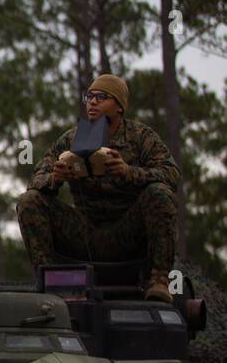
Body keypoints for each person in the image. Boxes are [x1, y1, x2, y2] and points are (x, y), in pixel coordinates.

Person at [15, 74, 179, 302]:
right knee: (28, 201)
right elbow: (35, 179)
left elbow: (171, 176)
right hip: (85, 233)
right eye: (89, 96)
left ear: (119, 106)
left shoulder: (141, 137)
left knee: (160, 194)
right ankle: (53, 284)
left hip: (128, 233)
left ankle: (160, 281)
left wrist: (128, 172)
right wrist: (55, 177)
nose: (92, 102)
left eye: (101, 97)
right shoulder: (72, 139)